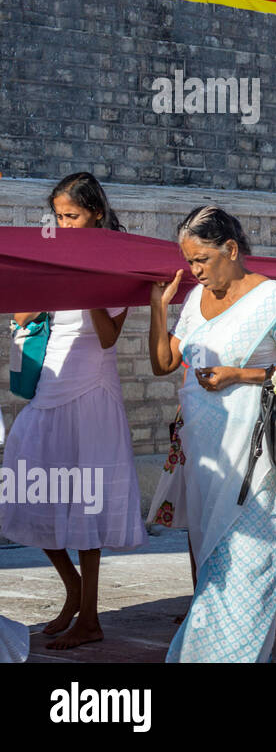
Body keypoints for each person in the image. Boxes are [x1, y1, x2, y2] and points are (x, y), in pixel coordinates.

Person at [147, 206, 276, 662]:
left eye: (202, 259)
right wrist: (157, 311)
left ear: (231, 249)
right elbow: (164, 364)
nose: (195, 271)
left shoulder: (273, 299)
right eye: (189, 262)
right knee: (212, 566)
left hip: (255, 459)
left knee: (249, 566)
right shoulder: (193, 303)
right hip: (206, 455)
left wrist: (236, 375)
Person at [0, 172, 145, 650]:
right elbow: (22, 316)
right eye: (58, 216)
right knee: (29, 484)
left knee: (86, 502)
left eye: (72, 216)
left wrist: (84, 285)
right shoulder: (56, 250)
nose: (63, 224)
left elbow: (107, 336)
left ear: (96, 213)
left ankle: (90, 616)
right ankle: (74, 593)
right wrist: (49, 278)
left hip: (91, 387)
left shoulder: (117, 261)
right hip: (51, 384)